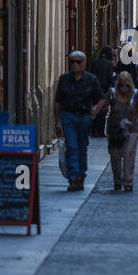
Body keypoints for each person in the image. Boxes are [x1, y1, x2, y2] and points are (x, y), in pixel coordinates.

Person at [54, 52, 107, 192]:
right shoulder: (64, 79)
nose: (75, 64)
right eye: (72, 61)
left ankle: (81, 176)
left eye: (78, 61)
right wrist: (57, 121)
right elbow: (58, 101)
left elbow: (102, 98)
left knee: (82, 147)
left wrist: (95, 110)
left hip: (84, 117)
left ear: (84, 63)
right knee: (71, 147)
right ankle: (73, 178)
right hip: (68, 117)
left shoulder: (91, 79)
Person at [107, 70, 138, 193]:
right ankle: (117, 180)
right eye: (121, 85)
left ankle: (128, 181)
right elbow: (103, 104)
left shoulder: (135, 95)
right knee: (115, 155)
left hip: (132, 129)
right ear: (118, 85)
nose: (124, 88)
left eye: (126, 85)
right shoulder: (112, 94)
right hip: (114, 130)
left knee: (129, 153)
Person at [90, 46, 116, 137]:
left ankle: (93, 130)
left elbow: (91, 74)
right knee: (103, 111)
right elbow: (110, 77)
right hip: (104, 89)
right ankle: (100, 131)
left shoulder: (94, 62)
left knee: (94, 108)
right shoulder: (109, 64)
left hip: (94, 88)